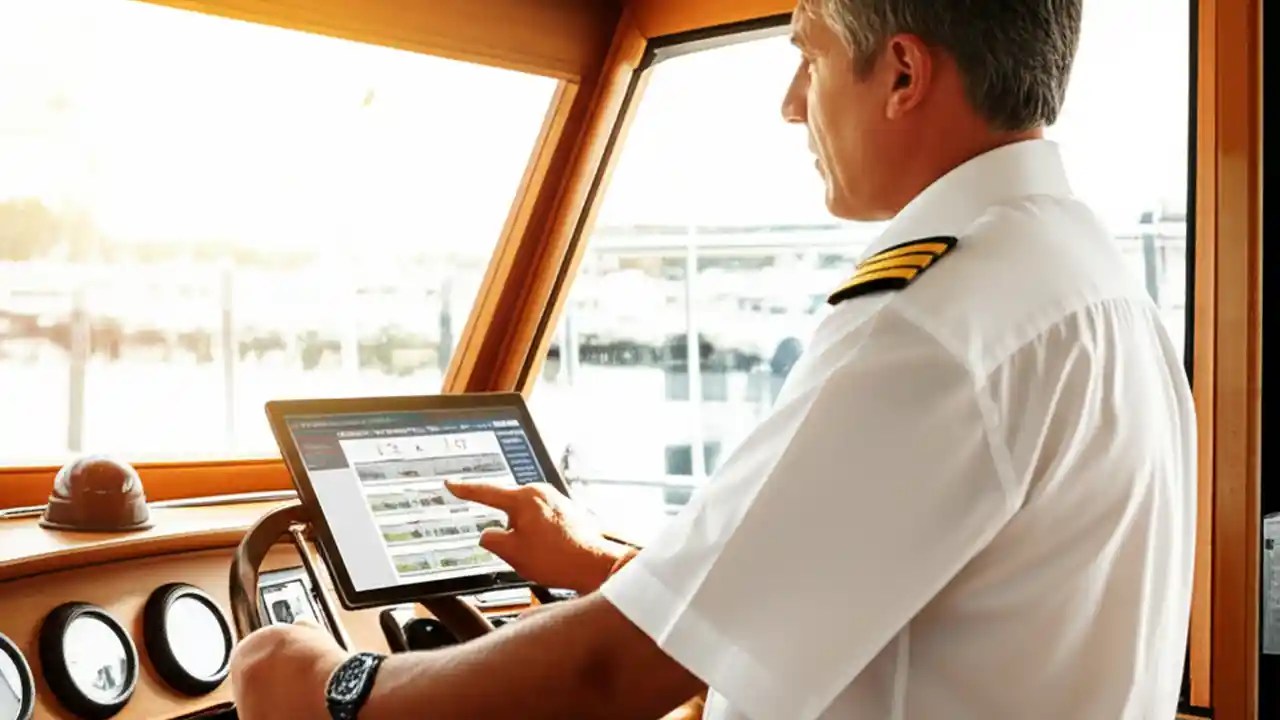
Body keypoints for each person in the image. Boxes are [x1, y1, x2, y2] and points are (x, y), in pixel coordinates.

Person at [228, 0, 1197, 717]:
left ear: (900, 74)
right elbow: (881, 590)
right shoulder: (1096, 290)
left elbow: (614, 673)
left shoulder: (930, 323)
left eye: (806, 57)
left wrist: (336, 684)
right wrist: (600, 564)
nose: (787, 105)